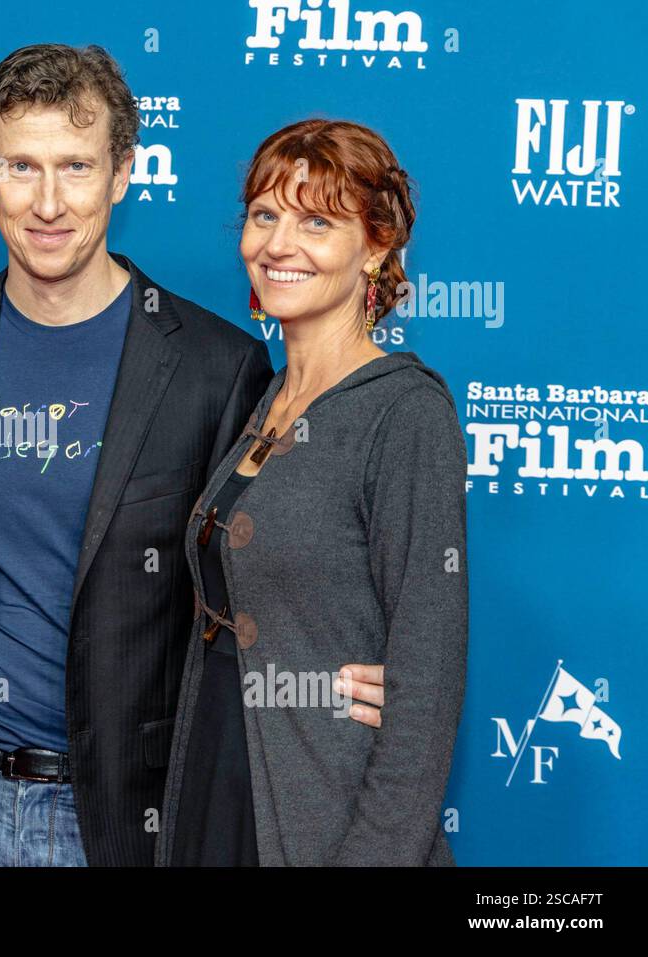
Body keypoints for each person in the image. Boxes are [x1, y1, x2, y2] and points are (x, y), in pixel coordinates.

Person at [0, 45, 386, 867]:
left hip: (122, 813)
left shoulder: (217, 370)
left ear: (122, 172)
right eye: (21, 166)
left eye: (76, 166)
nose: (47, 202)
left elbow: (245, 579)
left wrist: (332, 673)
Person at [157, 119, 468, 867]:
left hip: (326, 806)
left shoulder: (405, 412)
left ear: (378, 246)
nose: (278, 244)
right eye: (265, 215)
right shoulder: (264, 399)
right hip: (219, 779)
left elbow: (425, 682)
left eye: (317, 222)